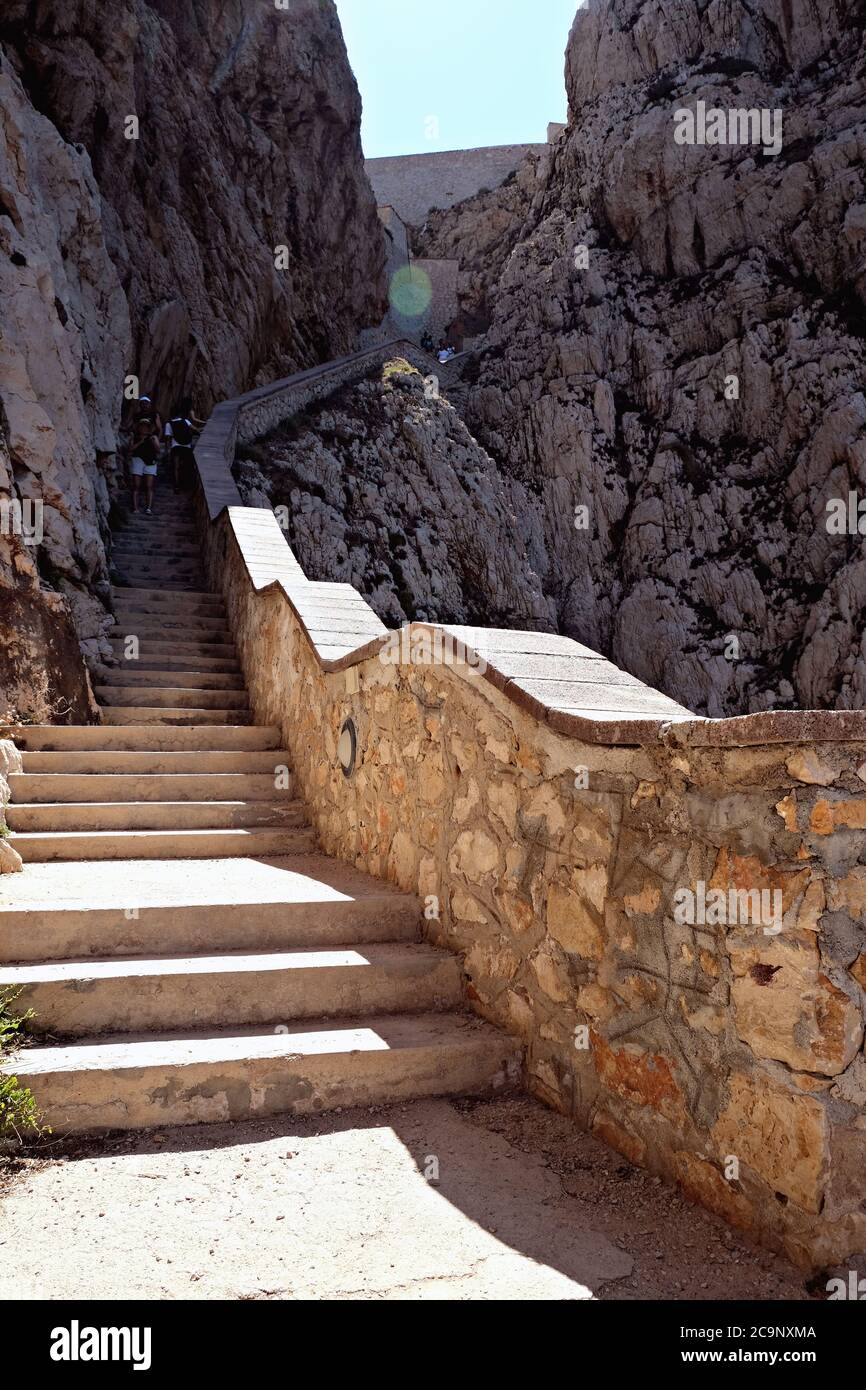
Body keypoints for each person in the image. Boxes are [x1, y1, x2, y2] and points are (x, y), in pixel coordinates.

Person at [164, 396, 202, 493]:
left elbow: (168, 438)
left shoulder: (169, 424)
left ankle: (176, 486)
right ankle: (186, 485)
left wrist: (167, 450)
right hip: (187, 446)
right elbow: (196, 430)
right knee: (187, 466)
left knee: (176, 467)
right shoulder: (185, 421)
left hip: (176, 446)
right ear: (179, 413)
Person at [128, 415, 161, 514]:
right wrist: (141, 442)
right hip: (138, 460)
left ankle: (148, 508)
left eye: (146, 426)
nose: (144, 428)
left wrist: (152, 441)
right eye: (142, 426)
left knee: (149, 486)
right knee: (136, 485)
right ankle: (135, 508)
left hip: (150, 461)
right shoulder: (134, 437)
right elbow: (130, 449)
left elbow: (158, 450)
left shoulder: (153, 437)